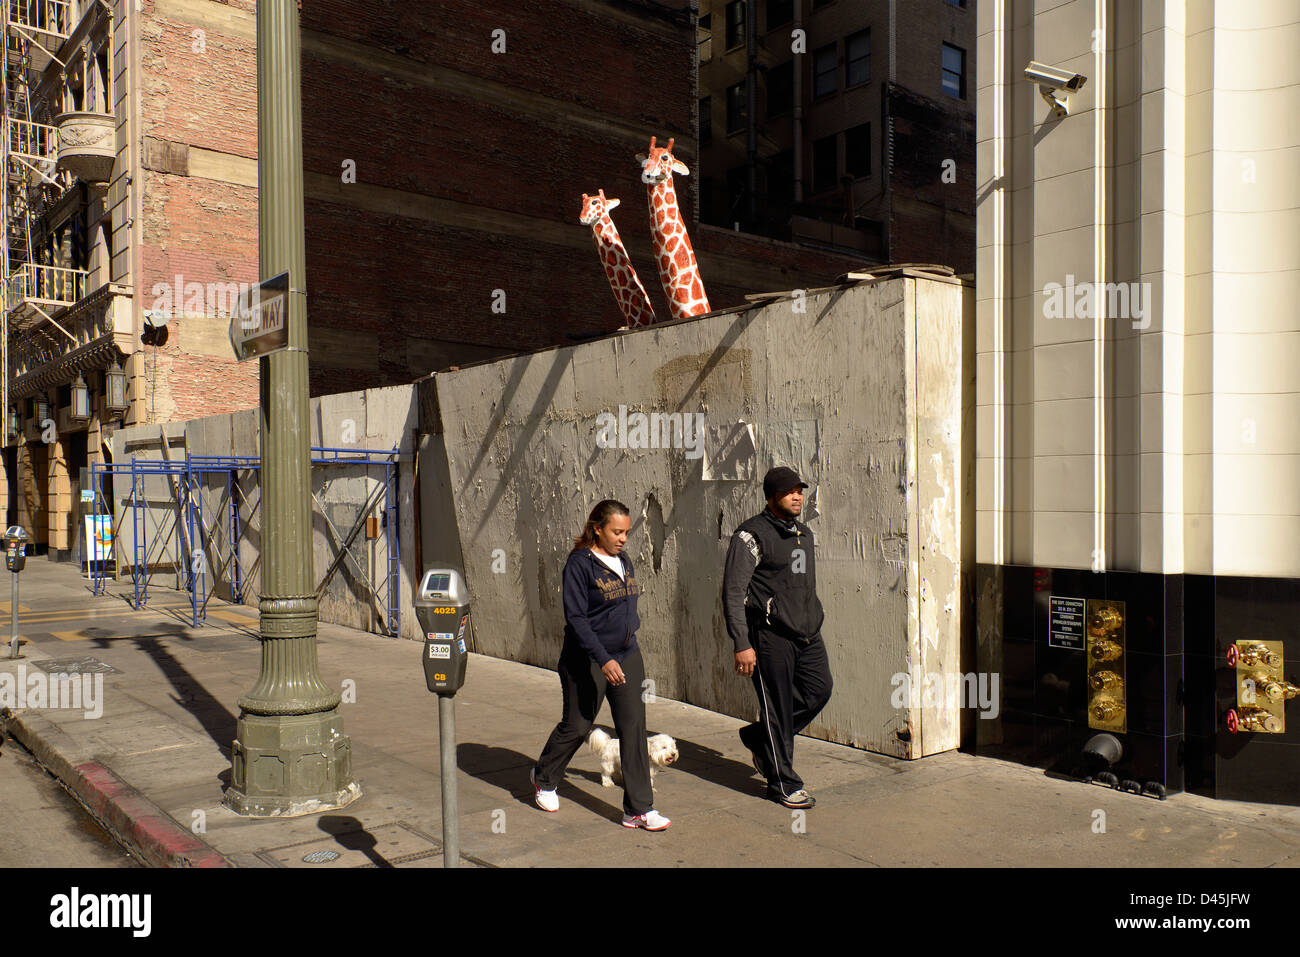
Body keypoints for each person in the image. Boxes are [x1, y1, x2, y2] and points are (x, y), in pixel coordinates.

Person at [530, 499, 670, 831]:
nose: (623, 538)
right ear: (597, 529)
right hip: (586, 658)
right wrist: (602, 658)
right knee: (578, 725)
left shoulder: (624, 561)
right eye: (616, 532)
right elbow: (576, 618)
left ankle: (638, 809)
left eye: (626, 532)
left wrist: (626, 642)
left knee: (633, 729)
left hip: (626, 654)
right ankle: (544, 777)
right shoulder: (579, 564)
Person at [722, 466, 833, 809]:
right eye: (789, 492)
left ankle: (760, 738)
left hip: (807, 633)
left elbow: (798, 585)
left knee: (819, 691)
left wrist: (811, 615)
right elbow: (732, 592)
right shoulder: (750, 536)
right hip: (770, 637)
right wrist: (742, 642)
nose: (797, 496)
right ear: (771, 497)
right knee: (778, 708)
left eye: (800, 490)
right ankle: (782, 783)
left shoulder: (803, 534)